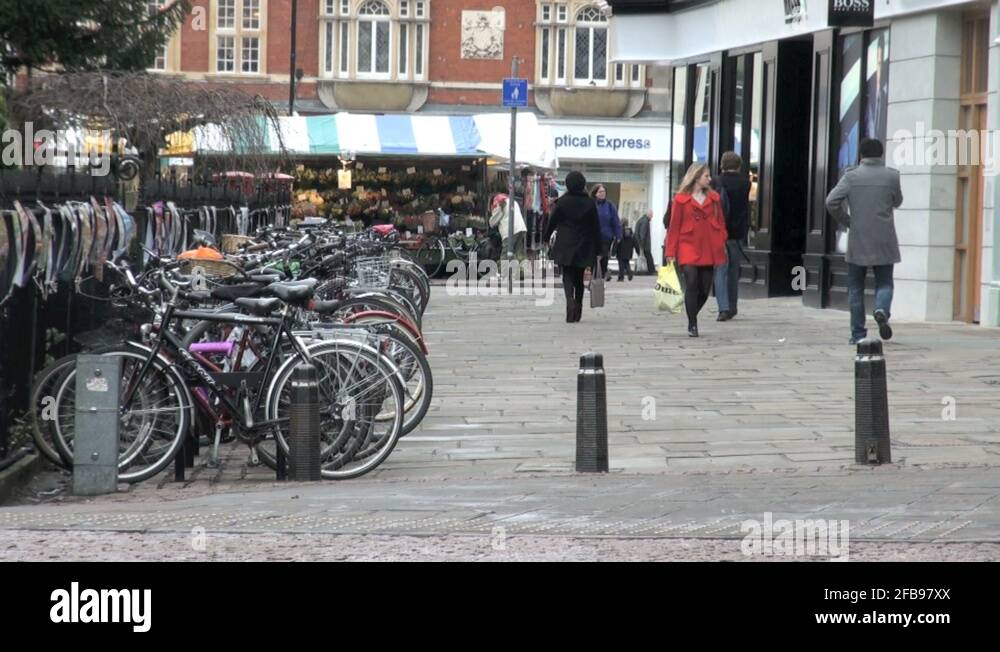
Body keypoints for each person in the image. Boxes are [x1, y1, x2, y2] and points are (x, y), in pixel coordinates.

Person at [825, 137, 903, 345]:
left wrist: (848, 221)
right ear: (881, 154)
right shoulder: (892, 176)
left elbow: (831, 201)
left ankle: (858, 334)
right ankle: (881, 309)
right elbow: (898, 201)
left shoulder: (851, 177)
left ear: (861, 155)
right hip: (884, 236)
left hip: (859, 237)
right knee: (885, 281)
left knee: (856, 287)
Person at [664, 163, 728, 337]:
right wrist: (670, 251)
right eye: (706, 176)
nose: (709, 179)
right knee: (691, 282)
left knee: (705, 288)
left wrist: (722, 237)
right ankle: (693, 323)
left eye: (709, 176)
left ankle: (692, 313)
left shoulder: (714, 198)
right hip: (687, 244)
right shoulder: (680, 199)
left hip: (708, 245)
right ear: (696, 177)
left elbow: (721, 221)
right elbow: (674, 226)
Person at [545, 171, 602, 323]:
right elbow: (596, 227)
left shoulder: (562, 202)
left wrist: (545, 237)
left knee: (567, 275)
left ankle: (570, 300)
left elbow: (552, 222)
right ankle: (578, 307)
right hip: (584, 244)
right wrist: (599, 248)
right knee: (579, 278)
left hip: (565, 242)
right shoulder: (590, 203)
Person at [713, 151, 752, 321]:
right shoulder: (746, 183)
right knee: (734, 270)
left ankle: (723, 308)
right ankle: (733, 306)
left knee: (721, 270)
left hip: (719, 231)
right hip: (737, 233)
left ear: (722, 164)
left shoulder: (716, 182)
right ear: (739, 165)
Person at [591, 184, 622, 282]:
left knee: (604, 257)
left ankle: (601, 277)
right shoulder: (591, 204)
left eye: (604, 191)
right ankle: (594, 277)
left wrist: (618, 235)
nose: (602, 193)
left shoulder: (609, 205)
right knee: (593, 258)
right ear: (595, 193)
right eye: (600, 192)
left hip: (606, 237)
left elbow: (615, 221)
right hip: (593, 237)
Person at [489, 193, 528, 263]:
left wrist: (491, 220)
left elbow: (493, 222)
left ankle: (503, 273)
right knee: (517, 254)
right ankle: (518, 272)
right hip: (520, 228)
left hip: (510, 231)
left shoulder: (499, 203)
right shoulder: (512, 201)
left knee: (505, 255)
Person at [634, 209, 656, 275]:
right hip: (643, 244)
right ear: (648, 215)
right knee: (648, 256)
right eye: (651, 215)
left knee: (642, 257)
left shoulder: (642, 220)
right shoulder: (645, 221)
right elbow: (642, 234)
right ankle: (651, 271)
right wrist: (642, 245)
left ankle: (641, 270)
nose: (652, 217)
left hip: (639, 243)